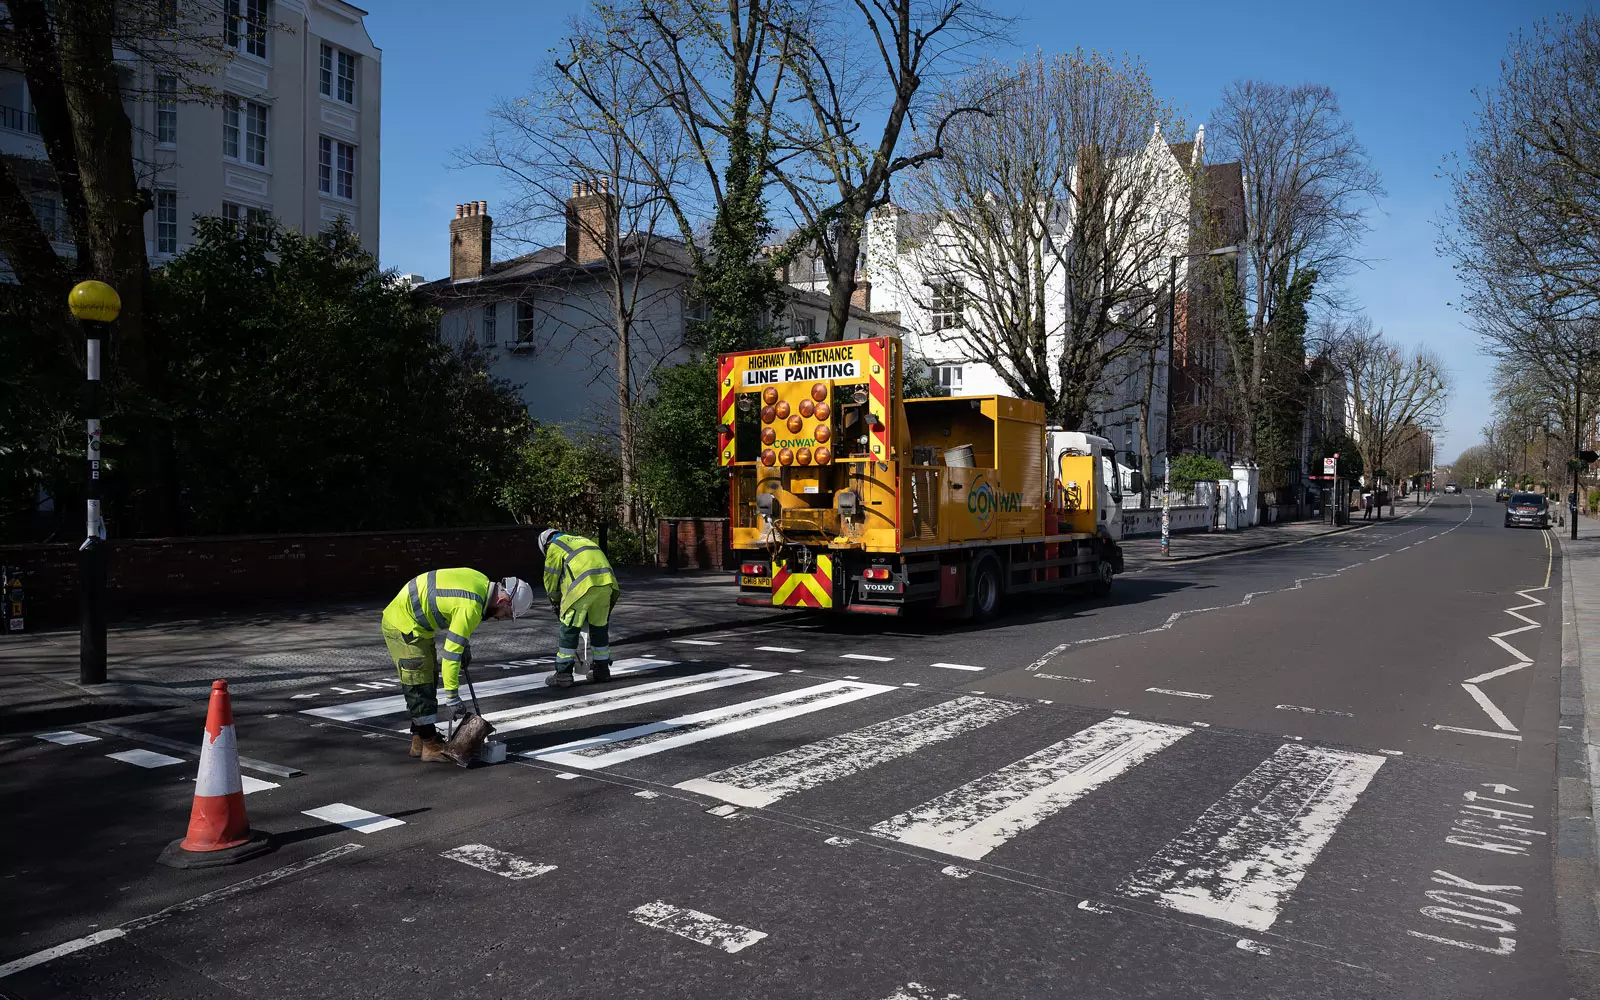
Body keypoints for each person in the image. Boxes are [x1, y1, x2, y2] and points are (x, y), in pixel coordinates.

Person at [381, 569, 533, 762]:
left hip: (416, 624)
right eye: (506, 614)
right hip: (401, 624)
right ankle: (429, 747)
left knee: (427, 678)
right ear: (502, 601)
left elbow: (456, 613)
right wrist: (452, 697)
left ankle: (419, 740)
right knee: (419, 682)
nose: (500, 618)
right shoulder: (472, 606)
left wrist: (464, 644)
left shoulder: (481, 583)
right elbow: (450, 655)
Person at [539, 528, 621, 688]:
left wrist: (556, 601)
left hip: (581, 588)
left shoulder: (555, 547)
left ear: (545, 545)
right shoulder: (583, 539)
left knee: (569, 629)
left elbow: (550, 580)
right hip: (606, 585)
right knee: (599, 628)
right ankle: (602, 670)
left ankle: (563, 674)